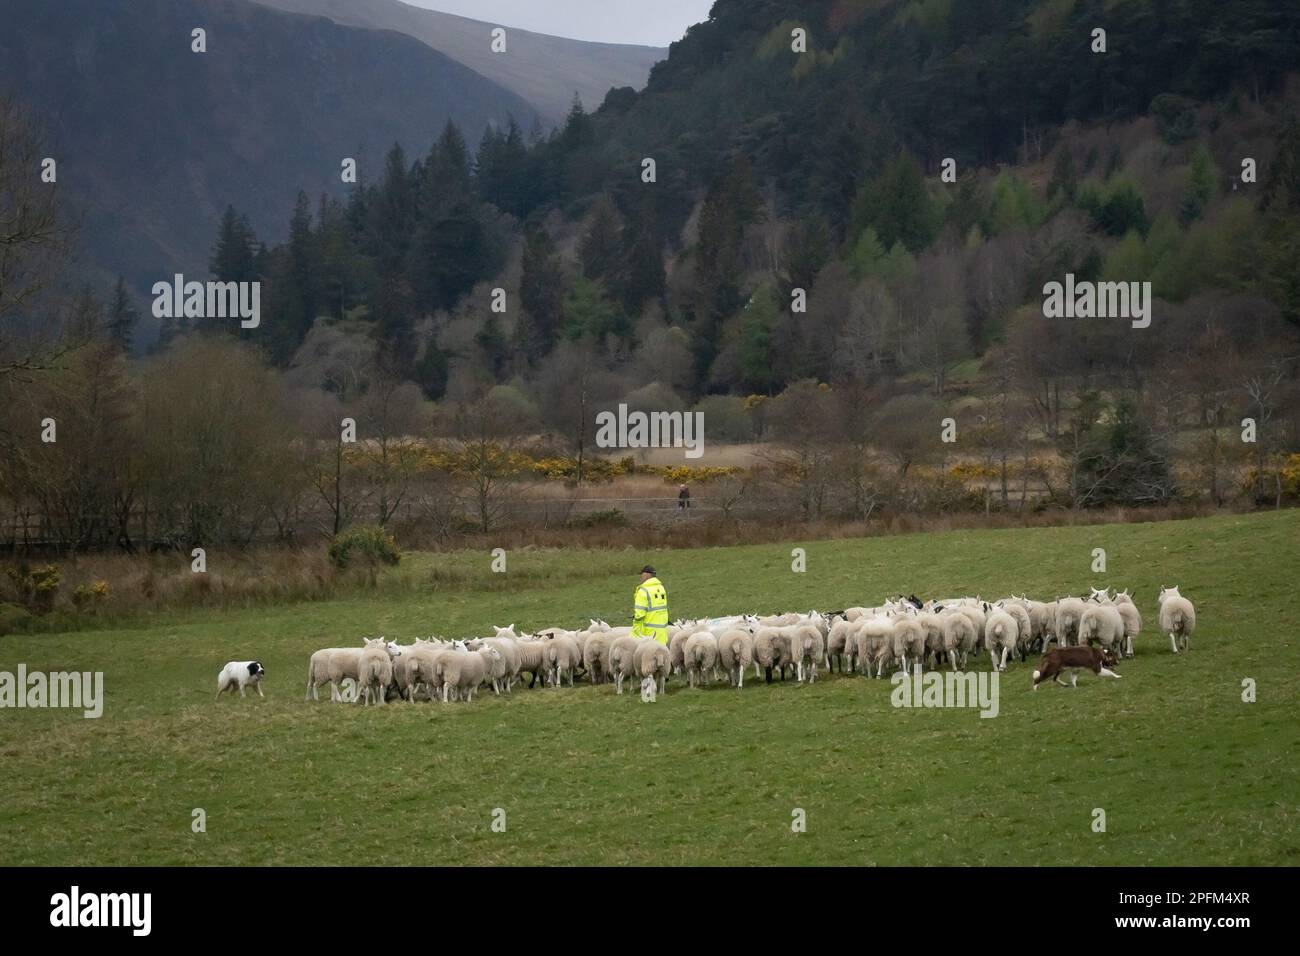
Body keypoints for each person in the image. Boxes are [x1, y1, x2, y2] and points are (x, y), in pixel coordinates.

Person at [631, 565, 669, 645]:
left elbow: (639, 615)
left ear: (646, 575)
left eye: (642, 574)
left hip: (648, 635)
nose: (640, 577)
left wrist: (635, 634)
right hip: (662, 633)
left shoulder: (643, 591)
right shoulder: (661, 588)